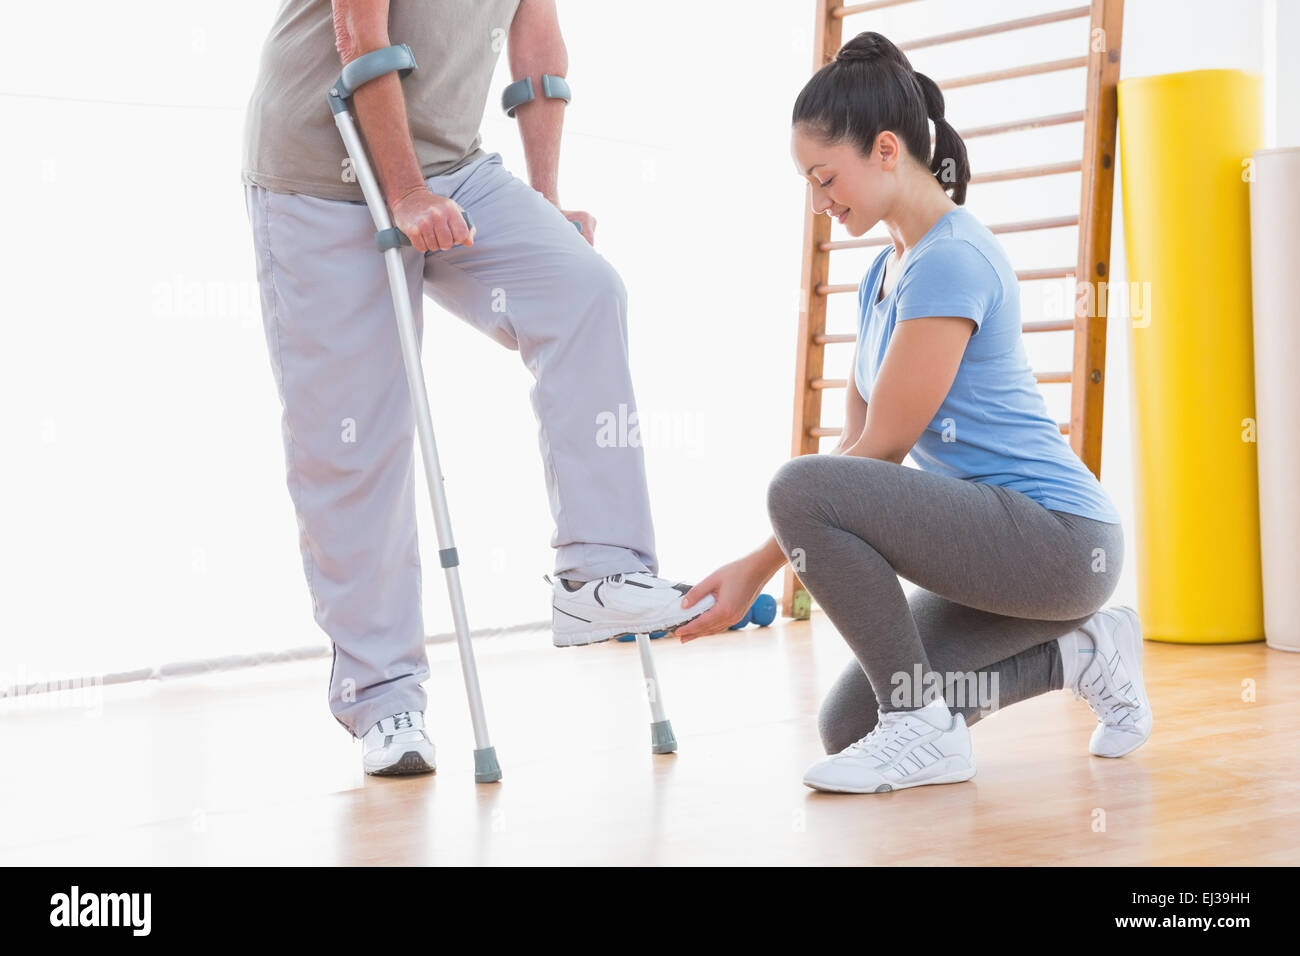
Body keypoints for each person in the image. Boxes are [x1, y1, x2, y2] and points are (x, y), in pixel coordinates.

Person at [241, 0, 713, 776]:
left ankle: (596, 572)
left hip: (452, 163)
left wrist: (548, 197)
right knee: (359, 434)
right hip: (317, 179)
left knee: (585, 289)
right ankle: (385, 697)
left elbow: (536, 45)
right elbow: (360, 33)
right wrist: (403, 194)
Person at [675, 31, 1153, 794]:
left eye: (826, 176)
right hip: (997, 543)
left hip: (1058, 539)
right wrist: (771, 564)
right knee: (854, 722)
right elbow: (855, 449)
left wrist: (756, 569)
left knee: (796, 486)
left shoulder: (952, 260)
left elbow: (880, 450)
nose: (820, 198)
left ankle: (926, 736)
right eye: (808, 181)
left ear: (888, 149)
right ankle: (1087, 652)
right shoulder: (881, 275)